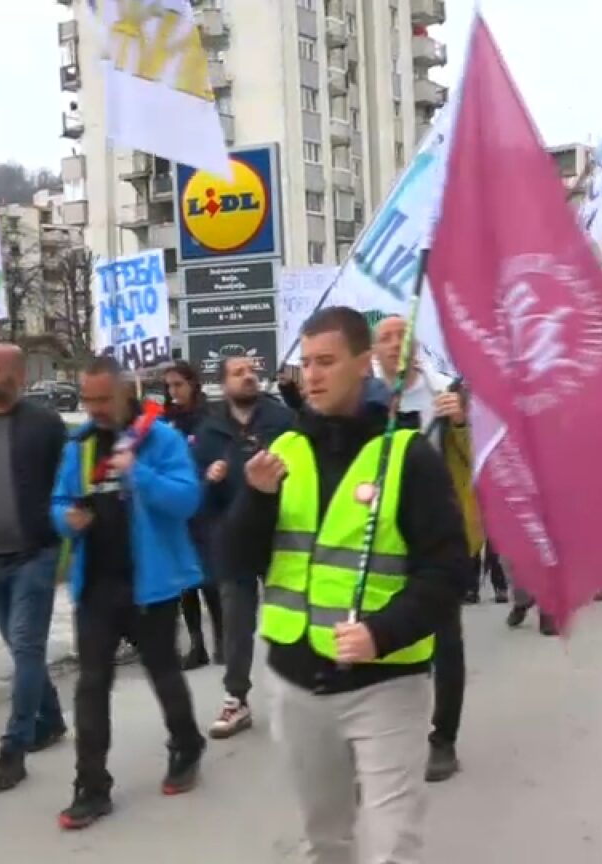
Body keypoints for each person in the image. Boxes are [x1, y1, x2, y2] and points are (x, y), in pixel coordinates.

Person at [225, 306, 468, 864]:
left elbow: (448, 569)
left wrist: (382, 633)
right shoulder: (281, 454)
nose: (312, 375)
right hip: (296, 683)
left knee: (391, 845)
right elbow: (235, 562)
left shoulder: (406, 457)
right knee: (326, 842)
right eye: (306, 362)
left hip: (387, 687)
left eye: (327, 361)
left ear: (364, 365)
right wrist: (255, 501)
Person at [51, 356, 208, 830]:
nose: (94, 408)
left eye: (103, 399)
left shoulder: (159, 438)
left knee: (163, 672)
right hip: (95, 587)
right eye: (87, 399)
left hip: (149, 587)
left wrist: (139, 473)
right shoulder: (78, 446)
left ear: (124, 393)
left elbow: (187, 499)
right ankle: (91, 785)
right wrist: (66, 519)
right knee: (92, 684)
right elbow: (58, 501)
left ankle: (187, 743)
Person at [371, 313, 483, 783]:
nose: (396, 344)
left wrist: (459, 424)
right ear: (373, 352)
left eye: (404, 336)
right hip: (380, 539)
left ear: (417, 347)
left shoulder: (445, 397)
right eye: (386, 338)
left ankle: (443, 739)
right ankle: (384, 737)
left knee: (446, 640)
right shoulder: (368, 402)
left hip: (438, 536)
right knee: (383, 638)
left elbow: (480, 457)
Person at [0, 343, 69, 793]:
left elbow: (67, 480)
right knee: (22, 650)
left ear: (18, 376)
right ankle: (51, 718)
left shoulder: (45, 425)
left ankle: (14, 747)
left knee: (25, 646)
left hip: (34, 556)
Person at [191, 353, 294, 739]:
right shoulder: (210, 431)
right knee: (237, 624)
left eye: (252, 371)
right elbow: (198, 498)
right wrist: (210, 478)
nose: (248, 377)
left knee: (288, 617)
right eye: (238, 373)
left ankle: (297, 692)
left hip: (280, 536)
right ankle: (237, 699)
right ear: (224, 384)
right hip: (233, 540)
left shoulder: (282, 422)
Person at [162, 360, 223, 671]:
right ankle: (196, 644)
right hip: (177, 507)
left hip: (206, 504)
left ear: (192, 385)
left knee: (209, 577)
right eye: (169, 386)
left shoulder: (208, 418)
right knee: (186, 582)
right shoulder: (165, 422)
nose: (173, 392)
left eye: (178, 385)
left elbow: (218, 453)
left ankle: (222, 640)